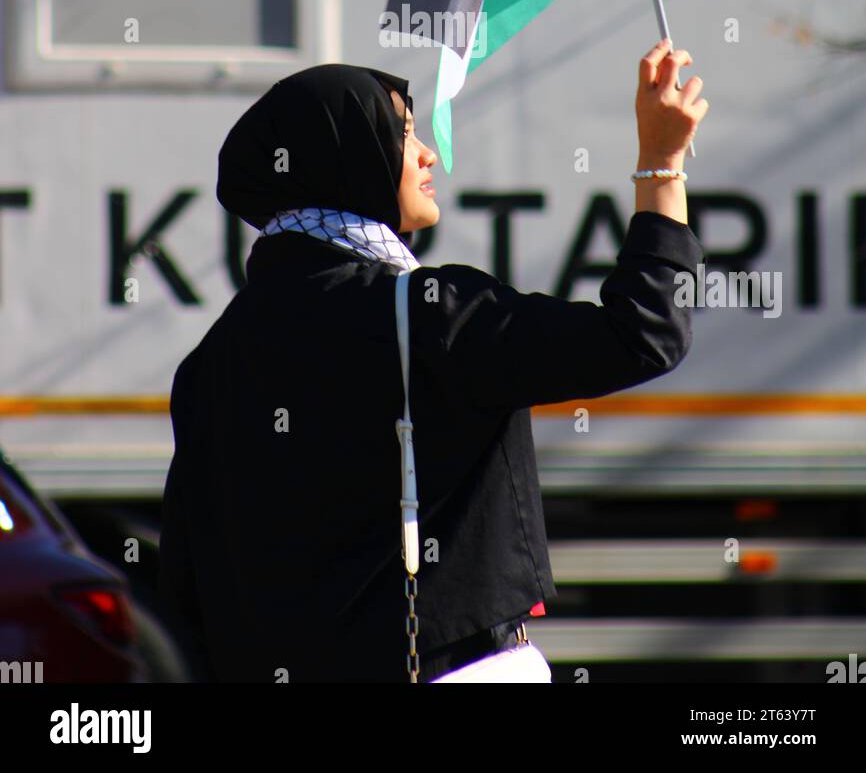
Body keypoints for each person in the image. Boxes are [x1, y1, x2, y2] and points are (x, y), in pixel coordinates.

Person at [157, 37, 707, 683]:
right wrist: (661, 163)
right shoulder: (427, 312)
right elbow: (642, 333)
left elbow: (187, 594)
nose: (428, 154)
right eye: (403, 132)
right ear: (350, 154)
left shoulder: (207, 367)